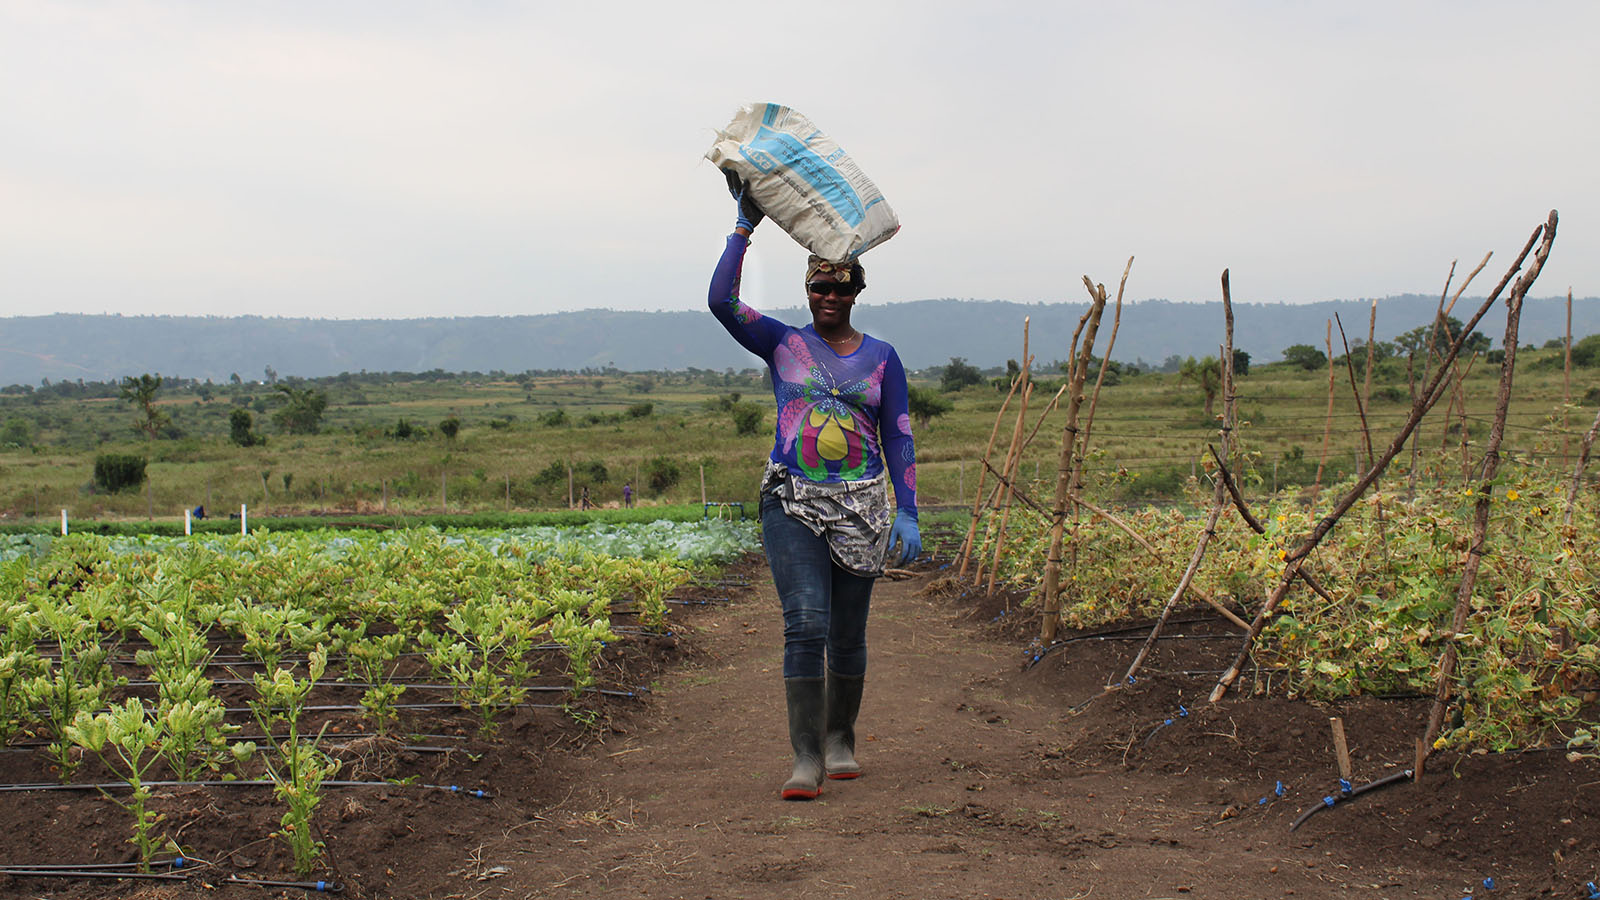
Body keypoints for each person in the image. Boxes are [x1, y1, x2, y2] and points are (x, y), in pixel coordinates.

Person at [708, 177, 921, 801]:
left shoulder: (882, 357)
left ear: (857, 292)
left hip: (863, 506)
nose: (830, 296)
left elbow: (899, 435)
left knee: (847, 635)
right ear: (807, 290)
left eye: (841, 287)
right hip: (792, 499)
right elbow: (722, 301)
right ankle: (805, 758)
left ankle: (839, 738)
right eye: (820, 286)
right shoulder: (784, 343)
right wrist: (743, 228)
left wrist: (908, 510)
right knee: (804, 622)